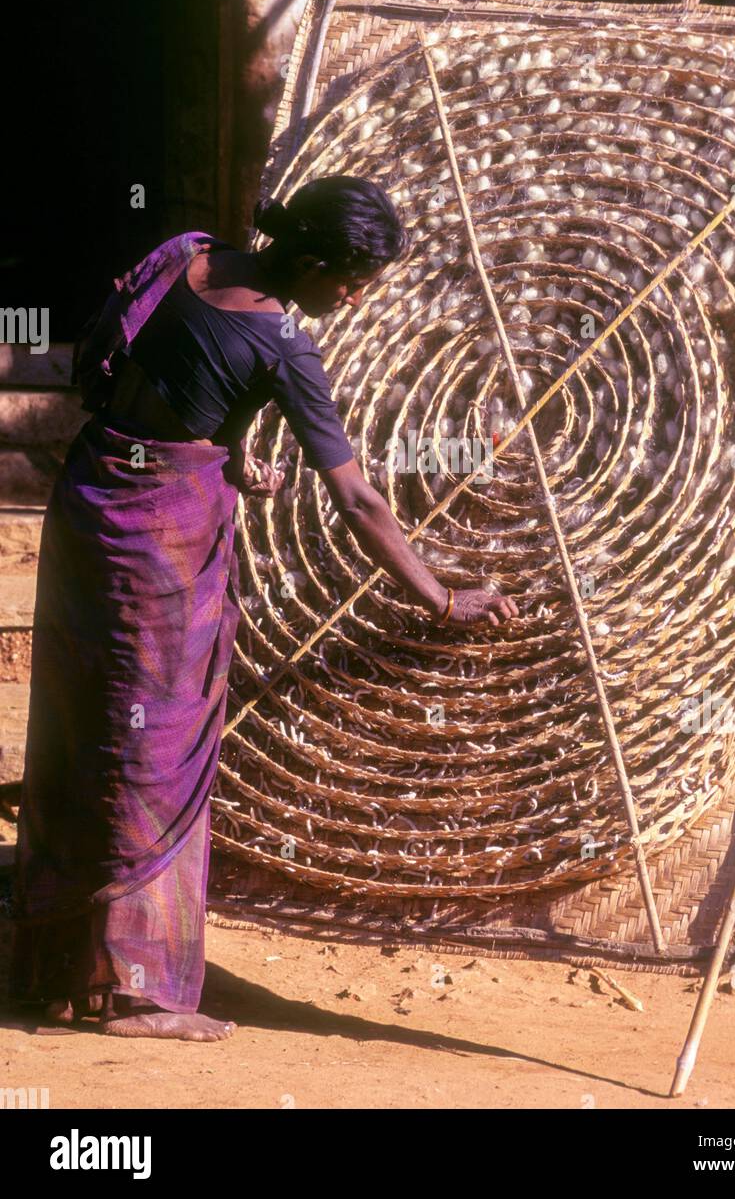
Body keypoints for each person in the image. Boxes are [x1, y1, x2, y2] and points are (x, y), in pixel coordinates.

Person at [9, 175, 518, 1043]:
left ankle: (51, 968)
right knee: (155, 750)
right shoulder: (285, 345)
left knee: (77, 720)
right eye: (353, 282)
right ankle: (137, 992)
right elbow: (358, 499)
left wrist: (222, 443)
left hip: (90, 500)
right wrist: (439, 596)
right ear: (315, 263)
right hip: (162, 541)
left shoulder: (184, 255)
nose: (353, 300)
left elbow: (113, 371)